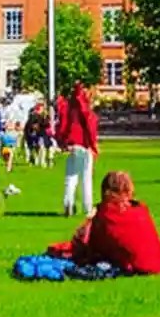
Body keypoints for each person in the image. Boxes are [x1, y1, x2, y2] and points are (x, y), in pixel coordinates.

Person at [57, 171, 160, 275]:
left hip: (134, 265)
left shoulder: (106, 213)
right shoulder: (140, 209)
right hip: (157, 264)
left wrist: (90, 220)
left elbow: (86, 245)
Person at [56, 82, 99, 217]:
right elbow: (90, 129)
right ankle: (88, 207)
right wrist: (93, 146)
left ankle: (68, 203)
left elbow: (62, 126)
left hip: (72, 145)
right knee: (86, 178)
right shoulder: (86, 111)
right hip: (84, 146)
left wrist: (62, 142)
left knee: (71, 177)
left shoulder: (69, 108)